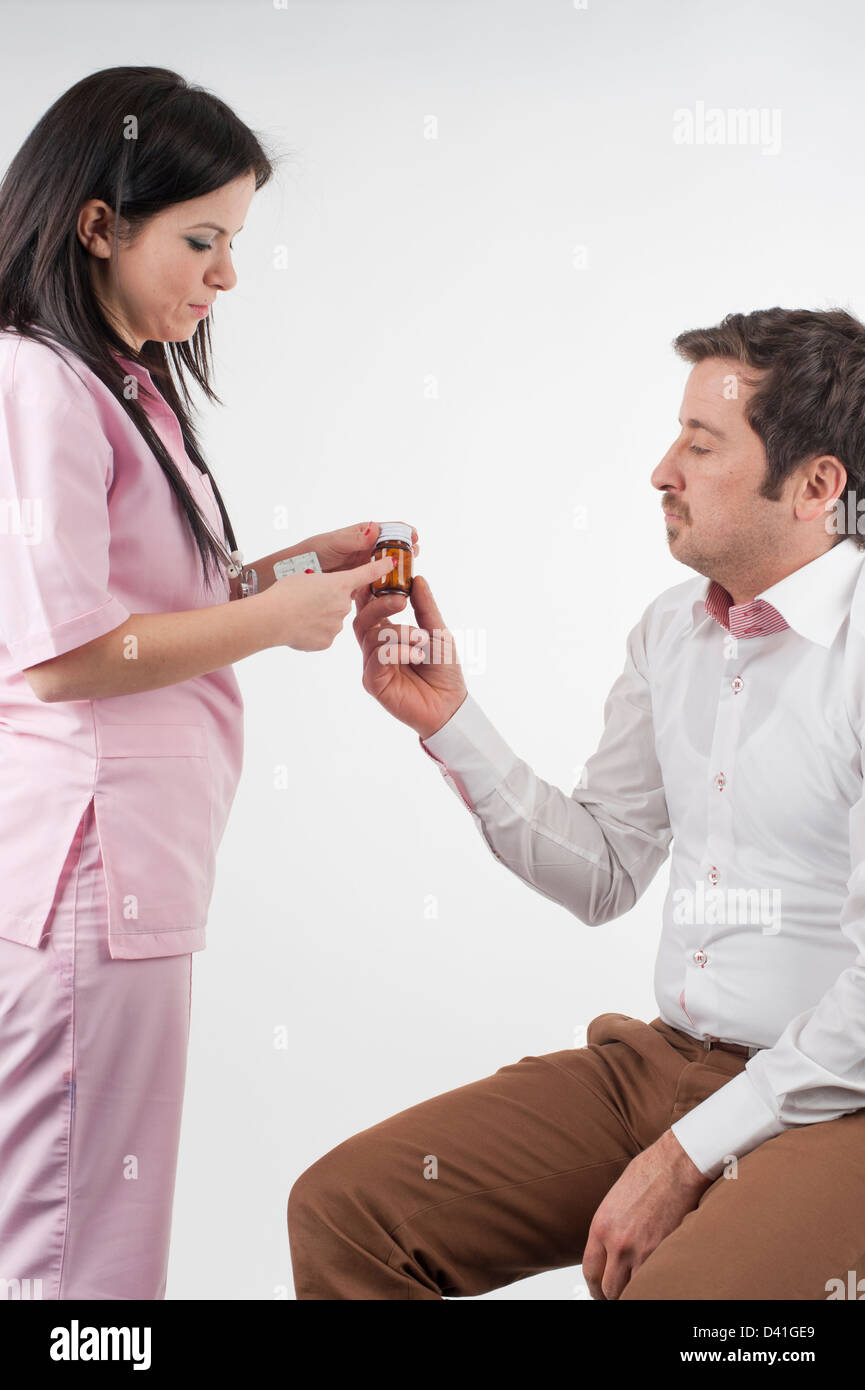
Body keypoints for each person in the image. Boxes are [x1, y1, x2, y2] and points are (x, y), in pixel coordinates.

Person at [287, 306, 865, 1301]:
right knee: (348, 1210)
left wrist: (685, 1155)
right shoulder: (671, 630)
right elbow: (605, 870)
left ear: (816, 485)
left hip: (835, 1098)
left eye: (699, 443)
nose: (660, 471)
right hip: (667, 1062)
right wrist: (449, 718)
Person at [0, 65, 413, 1300]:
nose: (226, 275)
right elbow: (61, 653)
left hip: (134, 872)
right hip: (92, 867)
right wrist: (277, 617)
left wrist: (296, 570)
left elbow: (154, 608)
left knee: (93, 1231)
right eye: (201, 240)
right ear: (97, 226)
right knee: (72, 1248)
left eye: (233, 242)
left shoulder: (126, 388)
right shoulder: (36, 380)